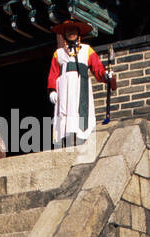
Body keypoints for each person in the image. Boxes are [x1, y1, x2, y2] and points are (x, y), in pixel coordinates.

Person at [47, 19, 116, 147]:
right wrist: (52, 90)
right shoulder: (59, 53)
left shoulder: (87, 50)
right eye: (68, 31)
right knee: (65, 117)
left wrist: (106, 75)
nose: (71, 33)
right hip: (64, 91)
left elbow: (97, 69)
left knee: (81, 114)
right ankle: (65, 143)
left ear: (78, 33)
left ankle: (82, 141)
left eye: (74, 31)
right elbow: (53, 74)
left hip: (81, 89)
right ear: (64, 34)